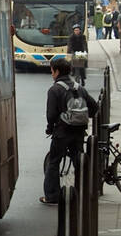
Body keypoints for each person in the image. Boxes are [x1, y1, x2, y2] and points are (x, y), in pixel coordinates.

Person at [41, 55, 99, 205]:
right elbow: (94, 107)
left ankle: (52, 196)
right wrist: (83, 118)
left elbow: (51, 115)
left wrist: (50, 128)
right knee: (78, 161)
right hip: (79, 132)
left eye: (52, 71)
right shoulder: (79, 88)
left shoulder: (54, 90)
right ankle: (84, 191)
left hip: (62, 132)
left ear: (57, 71)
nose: (51, 73)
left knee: (54, 162)